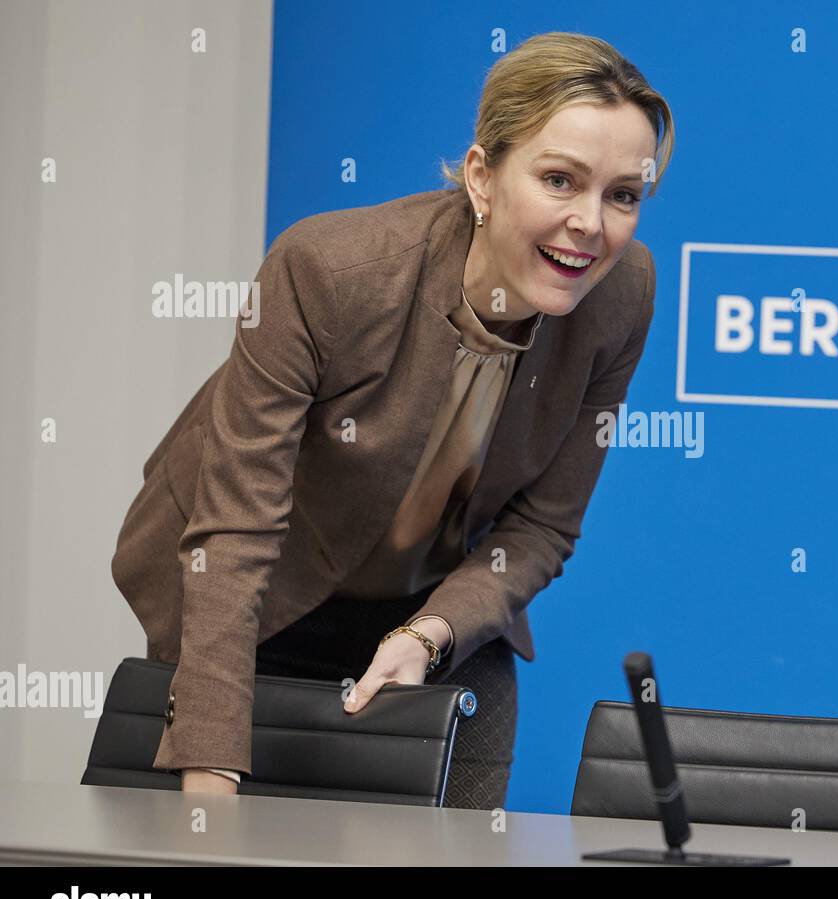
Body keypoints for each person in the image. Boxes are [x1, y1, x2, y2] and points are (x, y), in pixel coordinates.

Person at [109, 31, 674, 806]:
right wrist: (207, 777)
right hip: (256, 590)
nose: (590, 224)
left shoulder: (624, 295)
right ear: (482, 176)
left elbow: (541, 529)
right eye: (558, 180)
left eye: (623, 195)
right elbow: (235, 530)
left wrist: (428, 636)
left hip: (431, 613)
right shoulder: (329, 272)